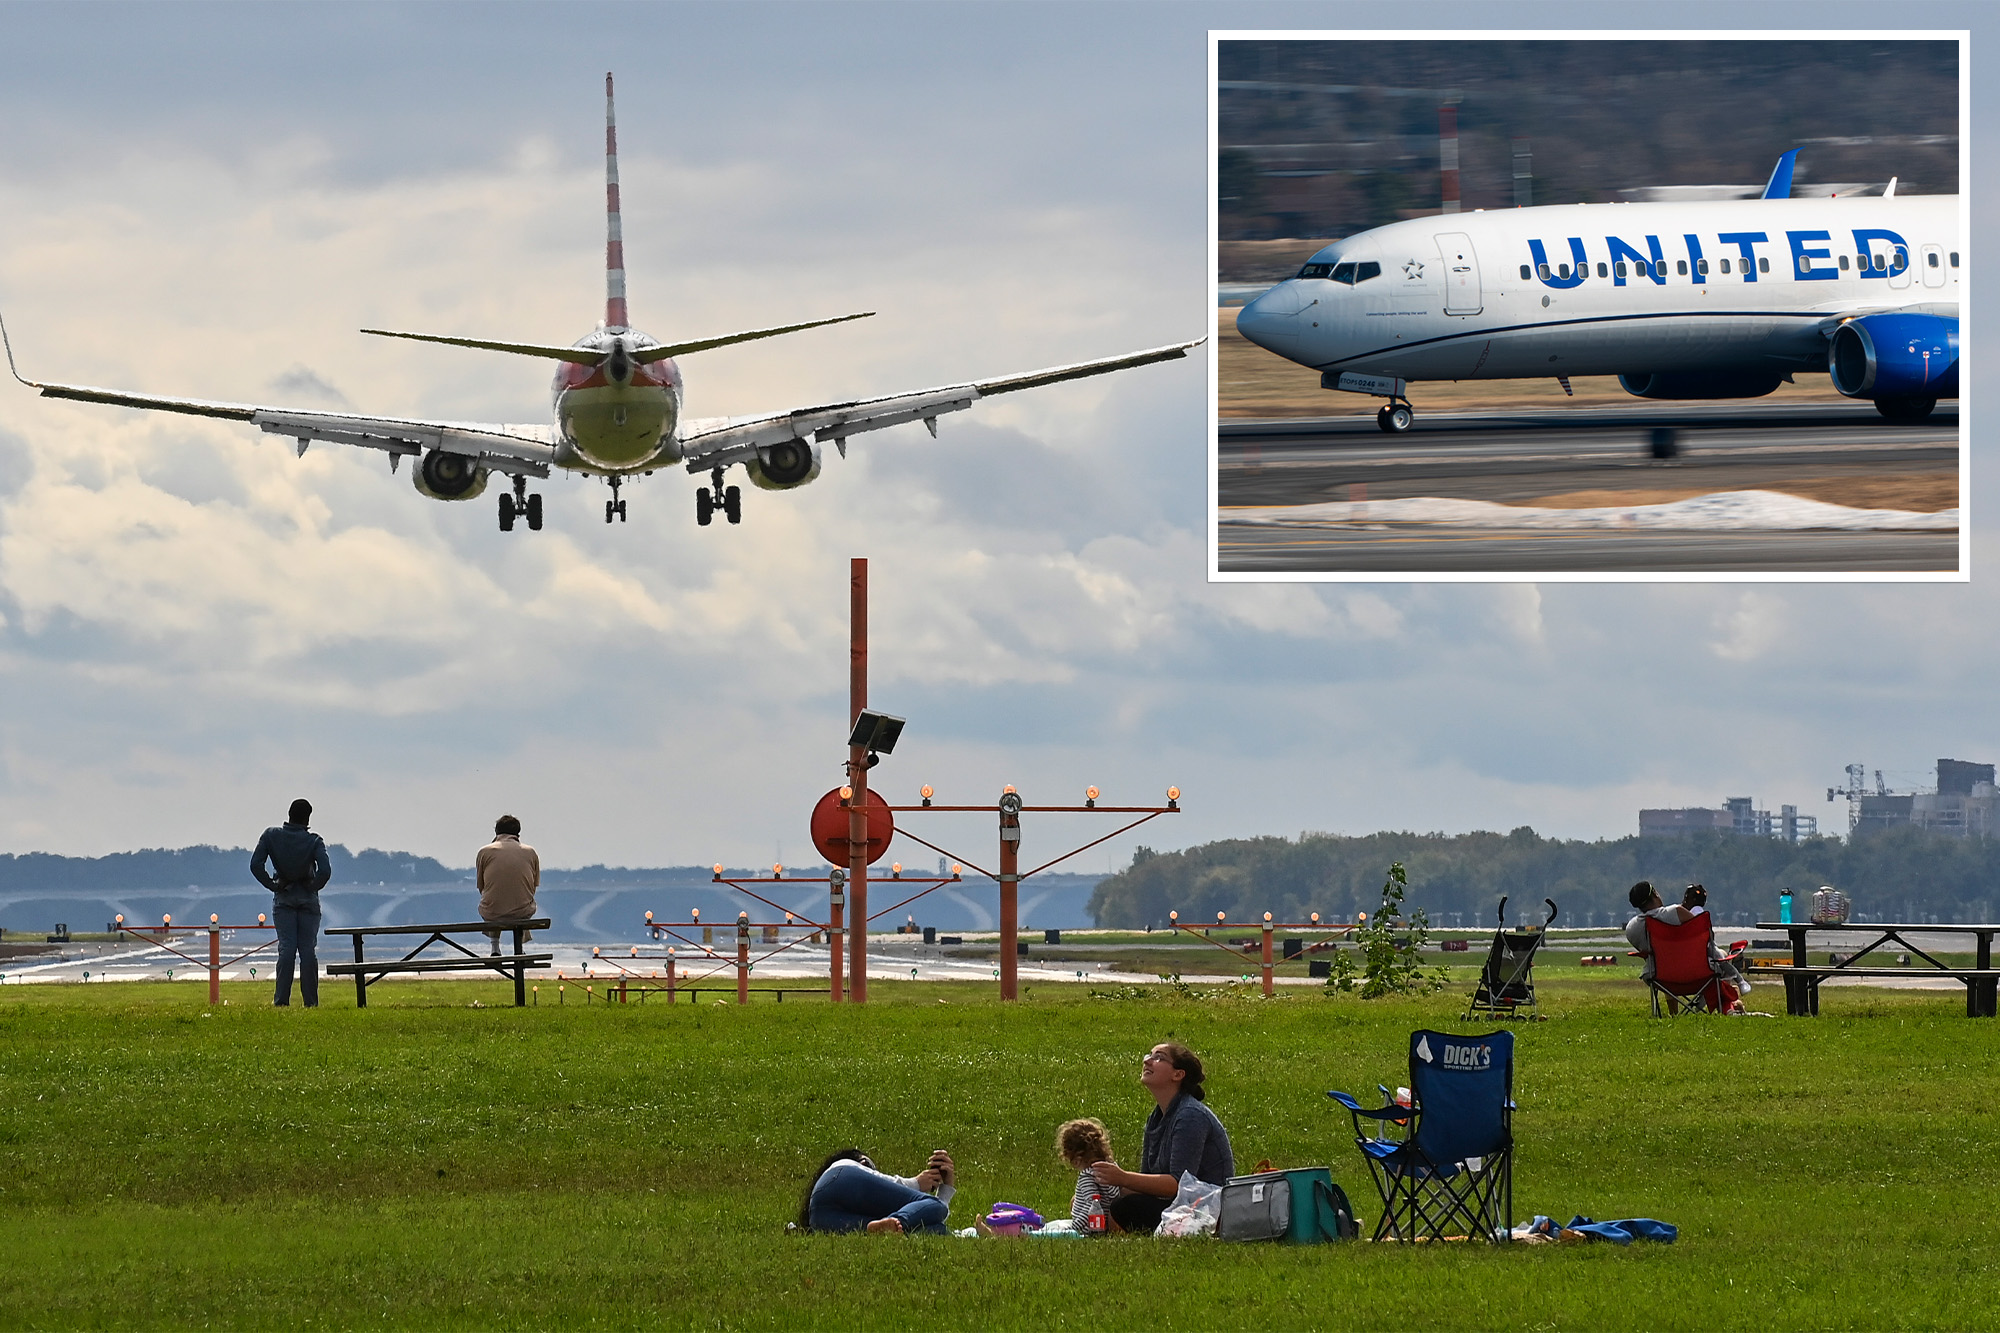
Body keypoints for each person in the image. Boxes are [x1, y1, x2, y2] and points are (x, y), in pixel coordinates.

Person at [1088, 1042, 1233, 1235]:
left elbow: (1177, 1185)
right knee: (1103, 1202)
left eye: (1159, 1058)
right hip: (1178, 1204)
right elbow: (1146, 1182)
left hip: (1206, 1208)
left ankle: (1113, 1238)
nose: (1147, 1061)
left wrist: (1122, 1177)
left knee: (1125, 1207)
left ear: (1178, 1075)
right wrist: (1100, 1191)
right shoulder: (1156, 1118)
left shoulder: (1190, 1116)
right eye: (1149, 1055)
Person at [250, 798, 333, 1008]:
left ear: (289, 814)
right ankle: (310, 1002)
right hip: (308, 901)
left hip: (284, 899)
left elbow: (255, 865)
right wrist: (313, 886)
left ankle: (281, 1001)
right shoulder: (314, 841)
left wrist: (273, 885)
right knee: (308, 951)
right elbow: (325, 871)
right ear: (308, 819)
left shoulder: (271, 836)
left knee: (286, 950)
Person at [795, 1148, 956, 1234]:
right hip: (843, 1177)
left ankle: (895, 1223)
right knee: (936, 1205)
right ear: (863, 1164)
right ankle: (899, 1219)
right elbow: (934, 1207)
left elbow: (918, 1222)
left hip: (820, 1218)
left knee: (917, 1231)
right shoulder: (850, 1168)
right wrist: (916, 1183)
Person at [476, 815, 540, 954]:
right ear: (518, 833)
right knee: (524, 900)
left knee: (491, 899)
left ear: (496, 832)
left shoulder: (484, 852)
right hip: (522, 911)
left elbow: (481, 887)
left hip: (492, 911)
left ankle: (495, 946)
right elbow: (533, 887)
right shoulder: (530, 852)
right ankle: (519, 947)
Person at [1681, 883, 1753, 999]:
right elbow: (1710, 936)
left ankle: (1739, 982)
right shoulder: (1699, 913)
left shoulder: (1685, 914)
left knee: (1717, 958)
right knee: (1720, 962)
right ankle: (1740, 982)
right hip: (1703, 959)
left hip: (1682, 966)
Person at [1057, 1118, 1122, 1232]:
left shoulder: (1087, 1177)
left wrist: (1074, 1228)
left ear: (1076, 1159)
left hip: (1089, 1228)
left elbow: (1091, 1206)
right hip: (1107, 1224)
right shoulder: (1110, 1168)